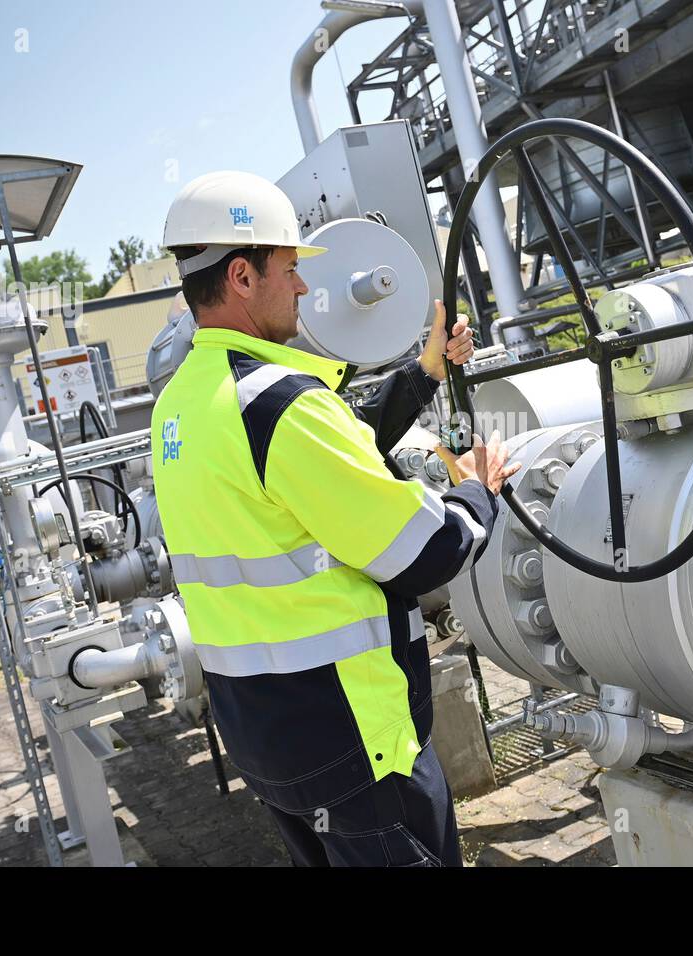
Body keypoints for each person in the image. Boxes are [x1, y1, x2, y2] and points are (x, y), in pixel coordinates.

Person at [150, 170, 519, 866]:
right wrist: (476, 496)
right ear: (241, 276)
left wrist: (425, 373)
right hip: (356, 745)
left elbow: (314, 474)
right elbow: (427, 553)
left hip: (270, 741)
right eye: (289, 270)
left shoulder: (184, 402)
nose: (300, 288)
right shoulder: (282, 405)